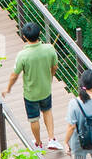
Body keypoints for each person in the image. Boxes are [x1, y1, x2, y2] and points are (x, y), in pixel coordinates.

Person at [4, 22, 62, 151]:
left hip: (30, 93)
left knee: (34, 118)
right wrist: (50, 77)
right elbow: (54, 67)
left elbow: (14, 75)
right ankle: (52, 139)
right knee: (47, 111)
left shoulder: (22, 55)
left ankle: (38, 143)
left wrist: (8, 88)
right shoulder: (49, 49)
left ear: (24, 37)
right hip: (46, 89)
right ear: (40, 33)